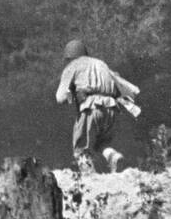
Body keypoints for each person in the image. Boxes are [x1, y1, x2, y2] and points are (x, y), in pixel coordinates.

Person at [55, 40, 141, 173]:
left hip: (90, 108)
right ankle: (114, 157)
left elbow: (60, 98)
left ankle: (89, 179)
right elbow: (125, 87)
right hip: (112, 109)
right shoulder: (101, 64)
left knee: (81, 149)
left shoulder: (73, 66)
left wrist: (73, 95)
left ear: (70, 57)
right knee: (103, 143)